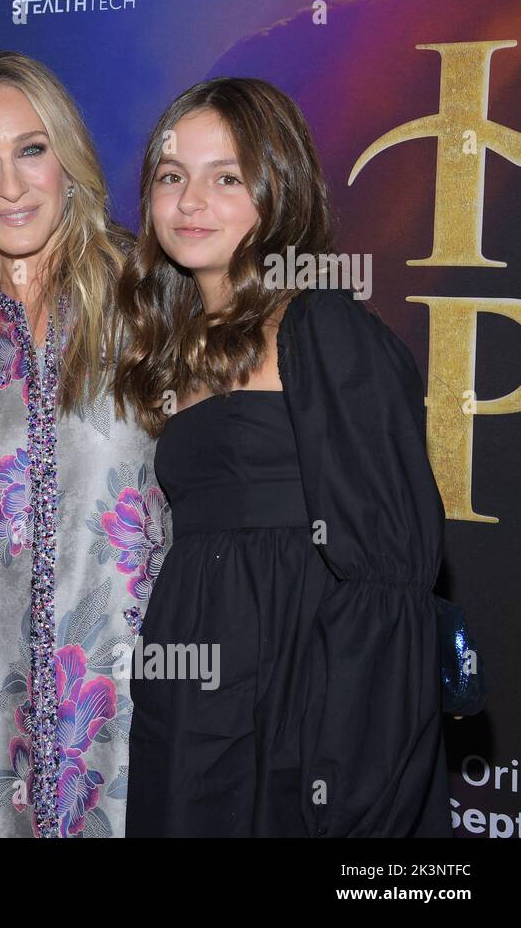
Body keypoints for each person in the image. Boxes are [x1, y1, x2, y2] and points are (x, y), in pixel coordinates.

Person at [114, 77, 451, 836]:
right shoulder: (178, 349)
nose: (190, 201)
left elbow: (391, 577)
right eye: (172, 177)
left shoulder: (319, 324)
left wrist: (358, 785)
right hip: (199, 694)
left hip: (302, 702)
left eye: (226, 177)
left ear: (279, 190)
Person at [0, 51, 169, 838]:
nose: (11, 185)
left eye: (31, 149)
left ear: (68, 159)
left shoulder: (151, 296)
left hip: (134, 708)